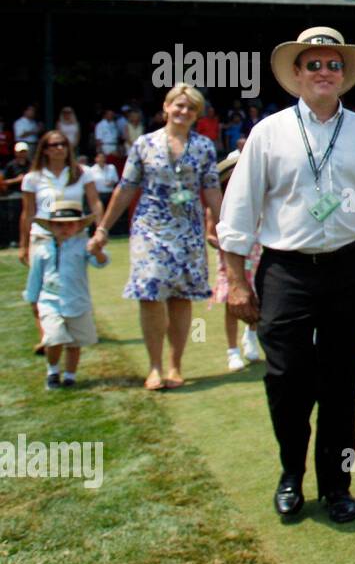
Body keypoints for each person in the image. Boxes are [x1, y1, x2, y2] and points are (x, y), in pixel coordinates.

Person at [216, 26, 355, 525]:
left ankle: (336, 484)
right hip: (285, 268)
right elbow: (238, 210)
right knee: (286, 379)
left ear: (344, 75)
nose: (325, 72)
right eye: (314, 65)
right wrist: (237, 279)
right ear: (297, 74)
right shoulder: (268, 133)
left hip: (349, 266)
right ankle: (291, 475)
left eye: (333, 65)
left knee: (341, 381)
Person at [89, 84, 222, 391]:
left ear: (197, 114)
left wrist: (226, 226)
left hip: (188, 230)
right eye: (178, 105)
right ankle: (154, 366)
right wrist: (103, 228)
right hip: (150, 228)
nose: (183, 112)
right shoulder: (144, 145)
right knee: (150, 294)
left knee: (180, 296)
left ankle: (175, 365)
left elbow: (212, 189)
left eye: (191, 108)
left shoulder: (204, 147)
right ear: (166, 108)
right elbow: (125, 188)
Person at [21, 130, 105, 354]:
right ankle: (47, 335)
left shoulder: (81, 173)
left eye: (63, 144)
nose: (59, 148)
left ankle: (68, 329)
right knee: (37, 287)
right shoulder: (34, 177)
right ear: (45, 149)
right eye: (54, 145)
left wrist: (100, 230)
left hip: (75, 235)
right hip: (42, 235)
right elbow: (28, 212)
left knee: (71, 283)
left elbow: (95, 202)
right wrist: (23, 245)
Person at [24, 201, 110, 390]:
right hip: (50, 301)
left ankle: (70, 375)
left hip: (77, 301)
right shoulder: (43, 250)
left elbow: (101, 263)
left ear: (79, 225)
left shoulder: (84, 246)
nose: (65, 228)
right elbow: (35, 276)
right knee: (54, 338)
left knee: (74, 342)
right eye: (59, 224)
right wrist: (32, 299)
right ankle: (52, 371)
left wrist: (98, 251)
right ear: (51, 226)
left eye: (70, 224)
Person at [208, 151, 261, 371]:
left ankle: (251, 337)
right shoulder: (218, 206)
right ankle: (232, 351)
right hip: (230, 263)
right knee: (231, 307)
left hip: (255, 259)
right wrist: (229, 246)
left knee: (258, 302)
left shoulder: (257, 201)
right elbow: (210, 235)